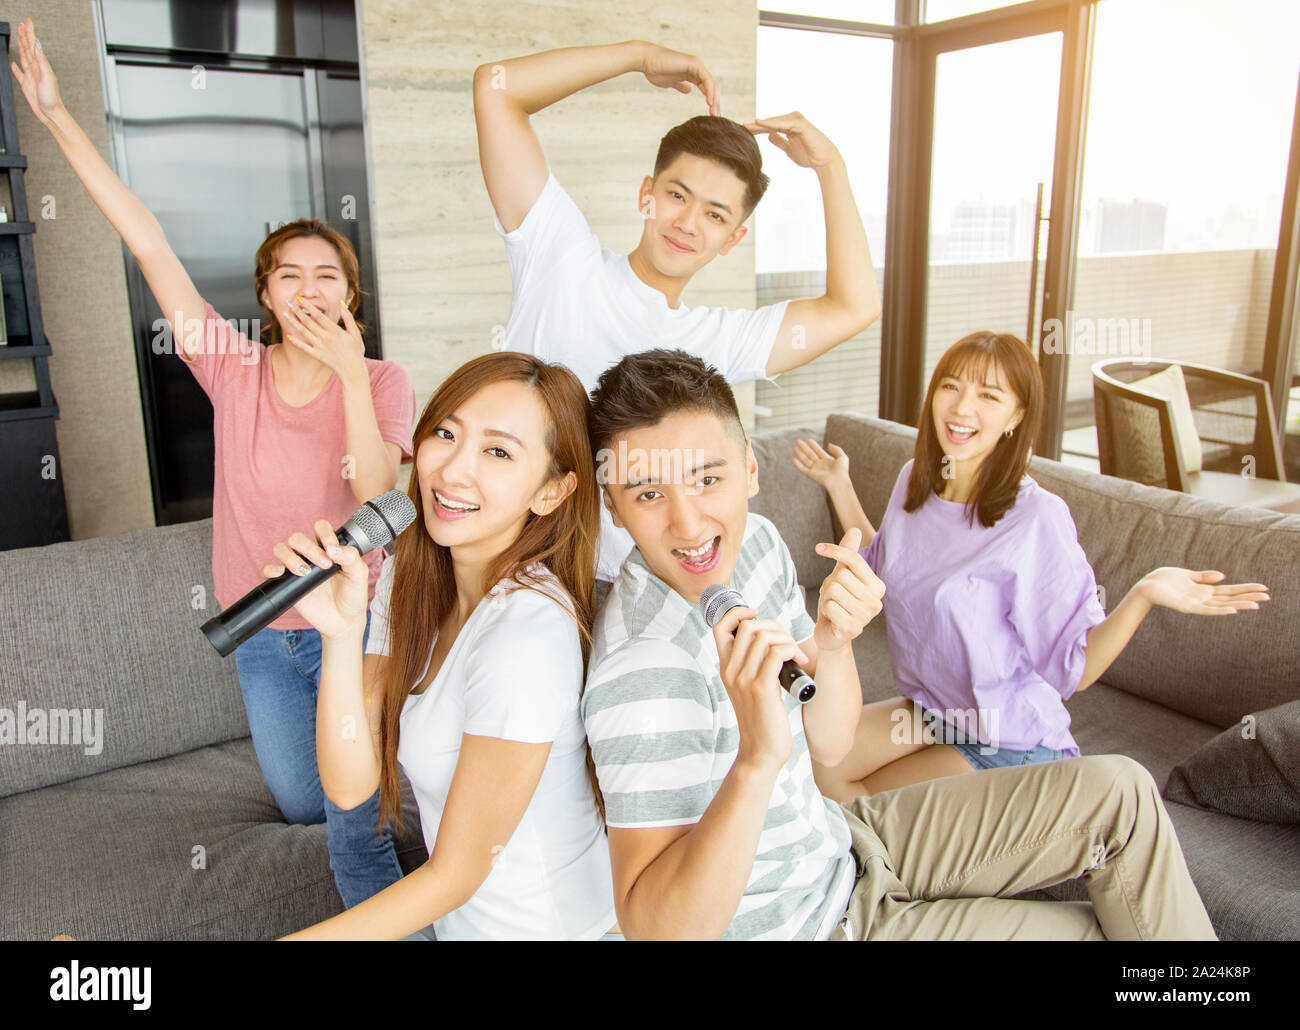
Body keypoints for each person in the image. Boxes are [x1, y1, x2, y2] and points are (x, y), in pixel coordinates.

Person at [581, 347, 1217, 940]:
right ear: (613, 505)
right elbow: (656, 929)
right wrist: (757, 759)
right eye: (650, 494)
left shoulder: (759, 545)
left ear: (749, 468)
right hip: (818, 924)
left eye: (706, 480)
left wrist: (831, 645)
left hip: (847, 846)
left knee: (1126, 793)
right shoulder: (642, 669)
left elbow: (828, 741)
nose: (690, 525)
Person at [13, 18, 417, 905]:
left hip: (363, 626)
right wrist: (55, 117)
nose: (310, 290)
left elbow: (375, 494)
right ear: (265, 292)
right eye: (290, 274)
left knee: (358, 819)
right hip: (266, 635)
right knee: (306, 805)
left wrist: (351, 377)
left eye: (328, 276)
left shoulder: (382, 379)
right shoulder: (232, 368)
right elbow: (149, 242)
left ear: (351, 295)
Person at [793, 331, 1270, 800]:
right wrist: (840, 486)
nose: (962, 408)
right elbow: (887, 569)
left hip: (1008, 739)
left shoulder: (1036, 519)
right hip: (932, 712)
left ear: (1015, 416)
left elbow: (1074, 668)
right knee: (807, 767)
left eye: (988, 395)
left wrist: (1145, 592)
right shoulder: (915, 480)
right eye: (951, 386)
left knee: (852, 809)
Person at [473, 40, 880, 579]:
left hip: (622, 595)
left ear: (731, 239)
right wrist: (638, 56)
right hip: (508, 566)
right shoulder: (561, 258)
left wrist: (830, 165)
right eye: (677, 195)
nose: (688, 223)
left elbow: (854, 306)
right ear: (647, 193)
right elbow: (496, 89)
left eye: (714, 215)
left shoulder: (712, 341)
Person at [273, 352, 616, 940]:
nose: (452, 470)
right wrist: (338, 633)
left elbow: (455, 875)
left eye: (499, 451)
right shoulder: (411, 573)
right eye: (445, 433)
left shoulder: (526, 633)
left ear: (552, 492)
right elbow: (352, 783)